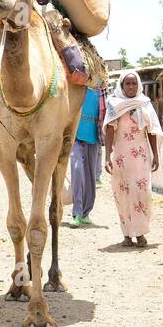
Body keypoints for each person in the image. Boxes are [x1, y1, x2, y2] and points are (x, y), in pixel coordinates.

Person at [104, 70, 161, 247]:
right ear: (121, 86)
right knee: (123, 194)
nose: (130, 87)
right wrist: (107, 156)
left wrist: (156, 155)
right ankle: (127, 234)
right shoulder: (114, 104)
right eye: (127, 84)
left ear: (138, 85)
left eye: (133, 83)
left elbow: (151, 131)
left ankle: (141, 232)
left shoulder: (145, 104)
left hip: (141, 155)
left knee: (142, 193)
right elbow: (110, 131)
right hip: (122, 156)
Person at [68, 82, 105, 227]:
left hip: (94, 140)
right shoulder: (78, 90)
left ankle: (86, 213)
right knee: (77, 171)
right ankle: (77, 213)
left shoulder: (102, 94)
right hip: (76, 139)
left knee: (90, 178)